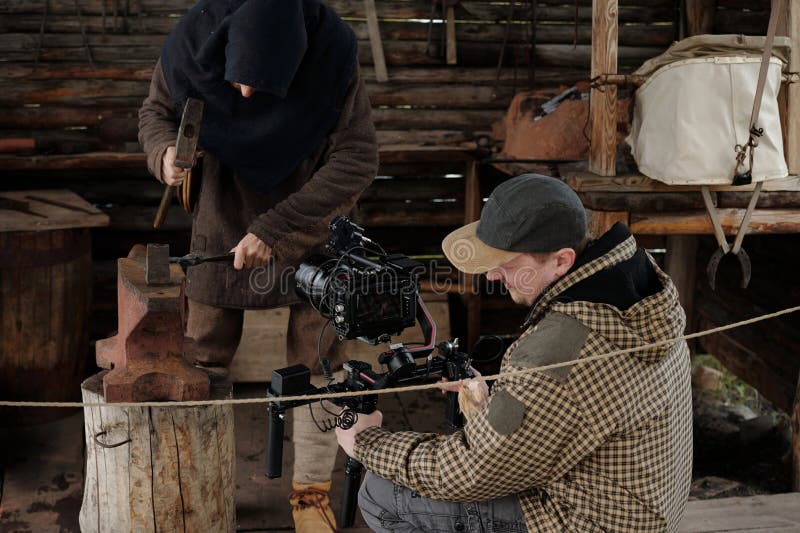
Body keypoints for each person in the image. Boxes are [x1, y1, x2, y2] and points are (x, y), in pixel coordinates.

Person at [336, 174, 693, 532]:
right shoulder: (638, 286)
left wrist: (367, 442)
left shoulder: (558, 349)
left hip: (590, 522)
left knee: (379, 493)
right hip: (641, 508)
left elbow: (470, 472)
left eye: (505, 261)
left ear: (561, 261)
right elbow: (571, 410)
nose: (492, 274)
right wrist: (506, 401)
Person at [138, 1, 378, 531]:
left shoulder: (331, 53)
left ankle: (311, 497)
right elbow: (155, 113)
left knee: (321, 368)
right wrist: (164, 155)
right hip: (221, 218)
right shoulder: (194, 42)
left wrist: (276, 229)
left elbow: (357, 157)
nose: (245, 96)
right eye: (238, 80)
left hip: (312, 222)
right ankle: (195, 487)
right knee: (201, 360)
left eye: (263, 83)